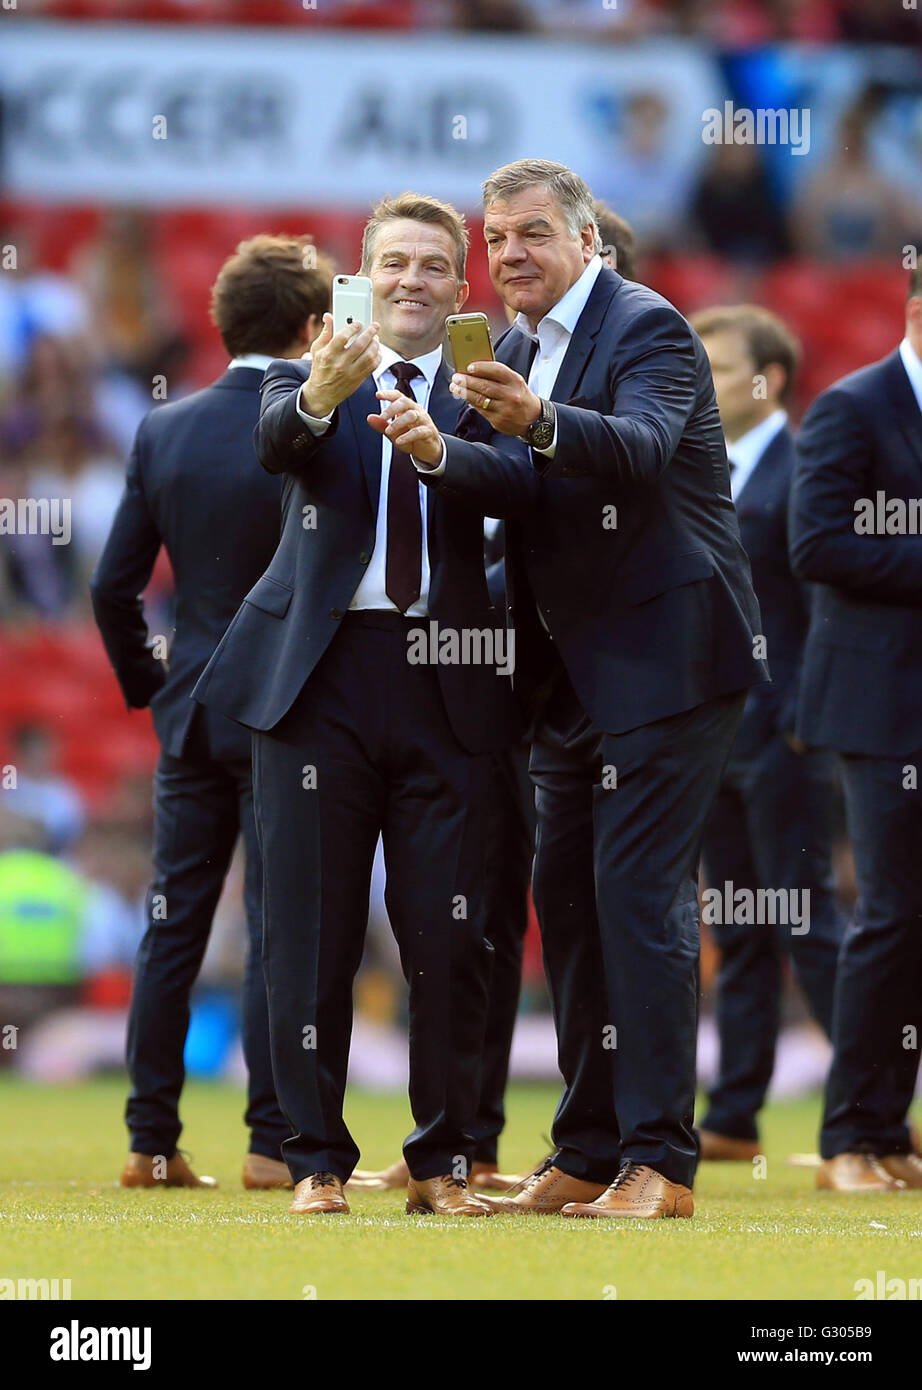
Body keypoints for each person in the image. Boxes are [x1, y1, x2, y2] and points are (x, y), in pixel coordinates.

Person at [385, 158, 767, 1218]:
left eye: (532, 235)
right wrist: (435, 453)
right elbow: (517, 483)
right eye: (495, 238)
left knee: (636, 898)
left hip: (670, 658)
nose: (508, 254)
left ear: (586, 241)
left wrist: (537, 420)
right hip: (568, 673)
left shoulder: (646, 327)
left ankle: (662, 1159)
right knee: (570, 900)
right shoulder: (508, 346)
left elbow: (638, 450)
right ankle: (589, 1149)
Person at [194, 193, 519, 1218]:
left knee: (450, 936)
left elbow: (523, 488)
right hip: (319, 679)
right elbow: (275, 447)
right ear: (360, 276)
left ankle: (443, 1161)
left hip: (452, 677)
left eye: (432, 265)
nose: (411, 281)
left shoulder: (491, 388)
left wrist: (444, 448)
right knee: (309, 931)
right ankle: (313, 1161)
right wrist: (320, 396)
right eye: (393, 263)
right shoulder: (309, 373)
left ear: (460, 288)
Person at [91, 234, 332, 1190]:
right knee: (280, 929)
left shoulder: (164, 430)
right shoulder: (325, 420)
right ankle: (272, 1144)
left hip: (192, 712)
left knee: (172, 921)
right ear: (319, 327)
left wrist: (154, 683)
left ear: (219, 321)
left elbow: (114, 589)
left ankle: (151, 1141)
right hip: (295, 712)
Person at [691, 305, 843, 1160]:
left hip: (781, 736)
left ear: (769, 379)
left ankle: (873, 1112)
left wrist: (801, 724)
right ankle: (734, 1115)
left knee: (809, 925)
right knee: (739, 927)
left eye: (717, 368)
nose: (702, 386)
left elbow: (827, 607)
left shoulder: (805, 470)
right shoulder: (699, 469)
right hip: (712, 737)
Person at [789, 267, 922, 1193]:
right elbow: (818, 544)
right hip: (884, 705)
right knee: (892, 913)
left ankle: (890, 1130)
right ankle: (850, 1136)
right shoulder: (853, 407)